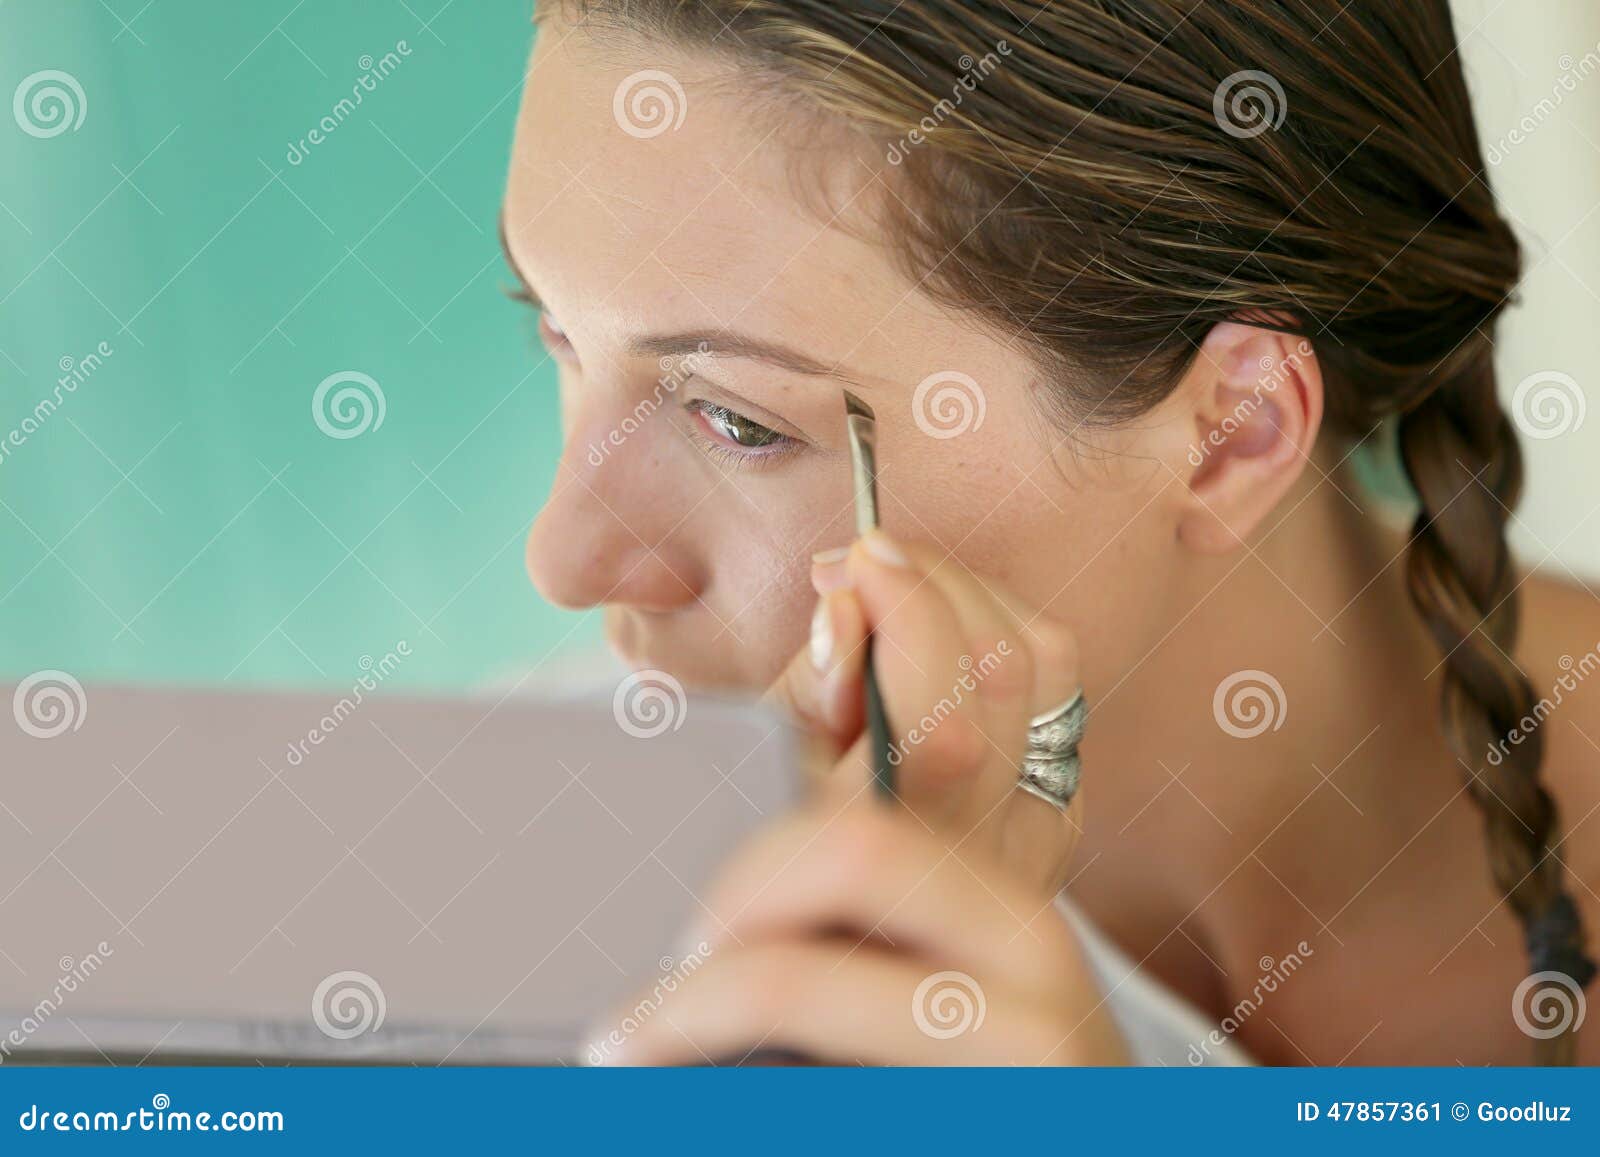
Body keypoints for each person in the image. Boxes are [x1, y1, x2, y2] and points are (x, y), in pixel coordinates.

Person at [502, 0, 1600, 1065]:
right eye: (558, 334)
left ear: (1233, 432)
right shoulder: (520, 870)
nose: (559, 557)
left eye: (738, 420)